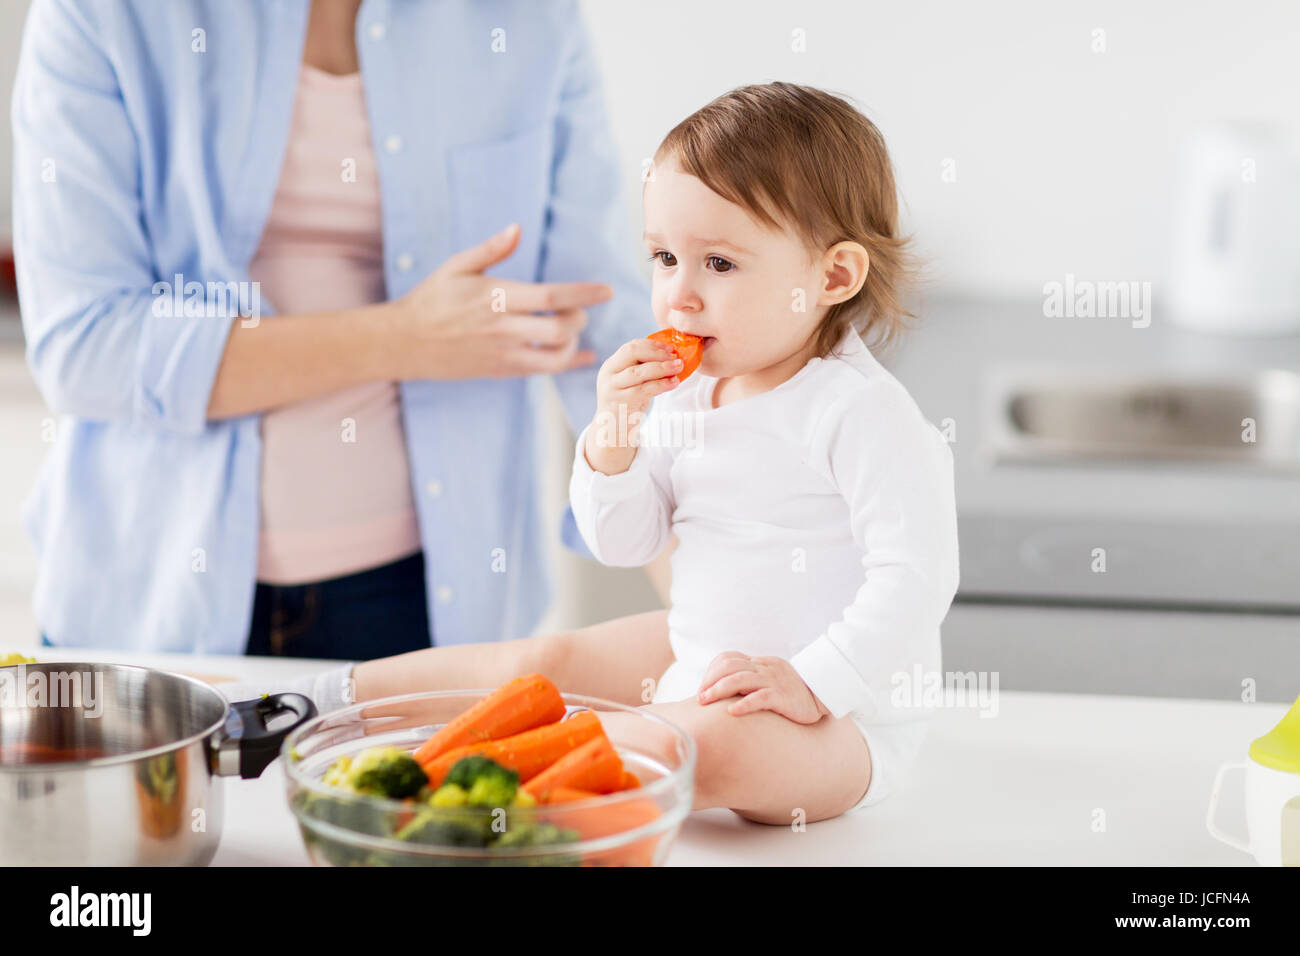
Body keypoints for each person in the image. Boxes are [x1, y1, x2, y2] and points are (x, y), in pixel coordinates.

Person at [225, 83, 961, 824]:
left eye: (721, 266)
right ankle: (308, 709)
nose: (679, 295)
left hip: (837, 723)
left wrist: (815, 680)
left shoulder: (858, 413)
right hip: (701, 662)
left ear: (833, 277)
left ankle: (435, 790)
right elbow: (622, 542)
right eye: (665, 257)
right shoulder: (682, 396)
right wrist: (613, 443)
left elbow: (918, 578)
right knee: (541, 664)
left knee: (700, 746)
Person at [11, 0, 650, 659]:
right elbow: (85, 344)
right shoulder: (103, 13)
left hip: (430, 605)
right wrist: (404, 338)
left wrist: (704, 588)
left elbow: (603, 324)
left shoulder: (528, 19)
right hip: (151, 603)